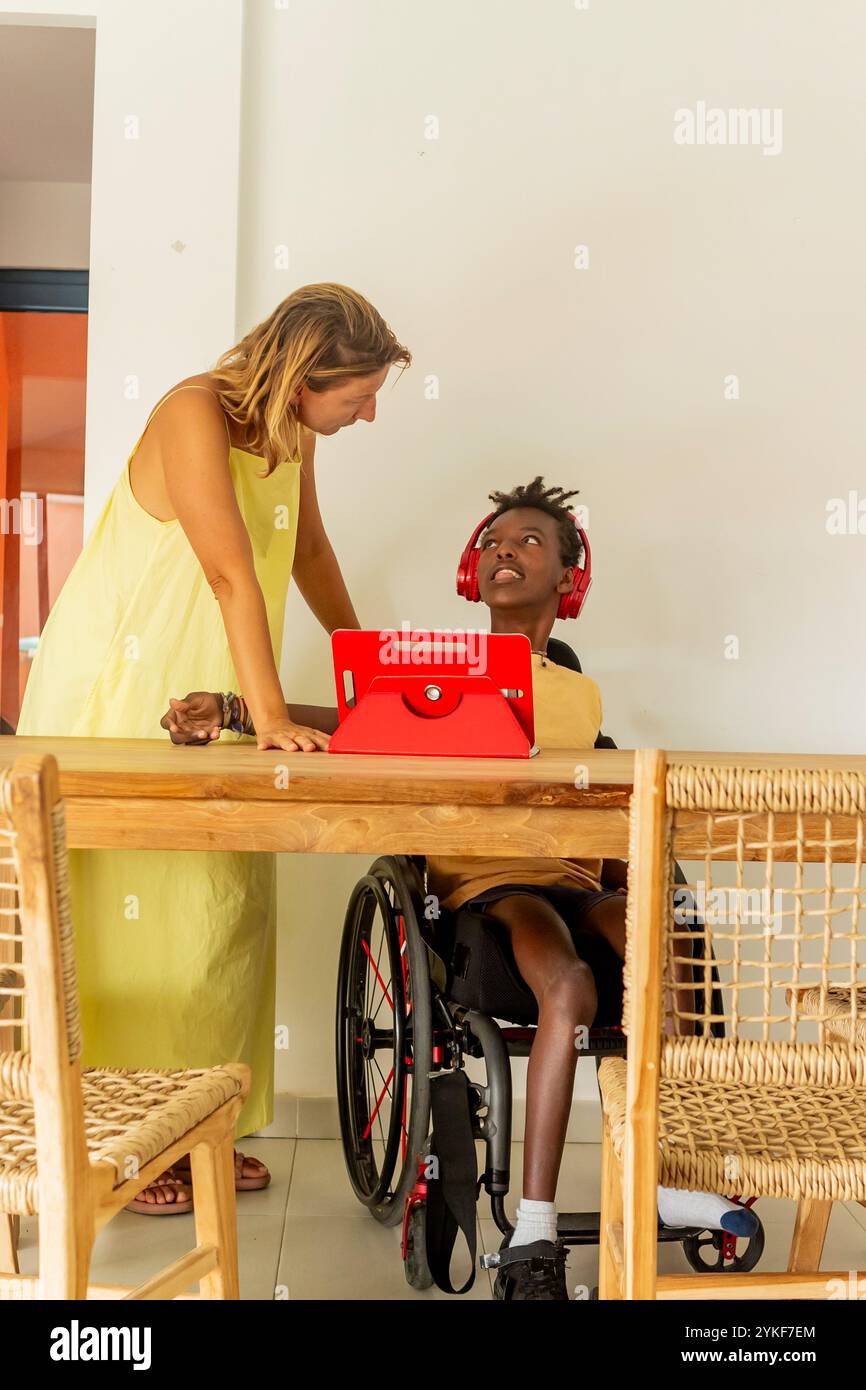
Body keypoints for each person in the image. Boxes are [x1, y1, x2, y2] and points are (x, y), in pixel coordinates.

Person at [163, 475, 756, 1289]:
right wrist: (239, 709)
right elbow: (364, 721)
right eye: (492, 542)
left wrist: (406, 711)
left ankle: (669, 1175)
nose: (505, 549)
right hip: (494, 885)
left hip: (581, 875)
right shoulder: (433, 673)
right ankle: (533, 1230)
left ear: (568, 581)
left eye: (530, 542)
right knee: (570, 985)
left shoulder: (577, 695)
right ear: (469, 572)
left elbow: (479, 720)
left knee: (663, 946)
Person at [15, 283, 411, 1213]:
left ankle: (199, 1121)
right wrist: (270, 717)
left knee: (221, 909)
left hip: (213, 692)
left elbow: (308, 553)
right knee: (135, 921)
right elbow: (230, 571)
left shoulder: (290, 434)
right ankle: (125, 1136)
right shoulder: (192, 412)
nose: (371, 411)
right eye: (358, 393)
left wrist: (367, 676)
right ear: (303, 377)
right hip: (119, 696)